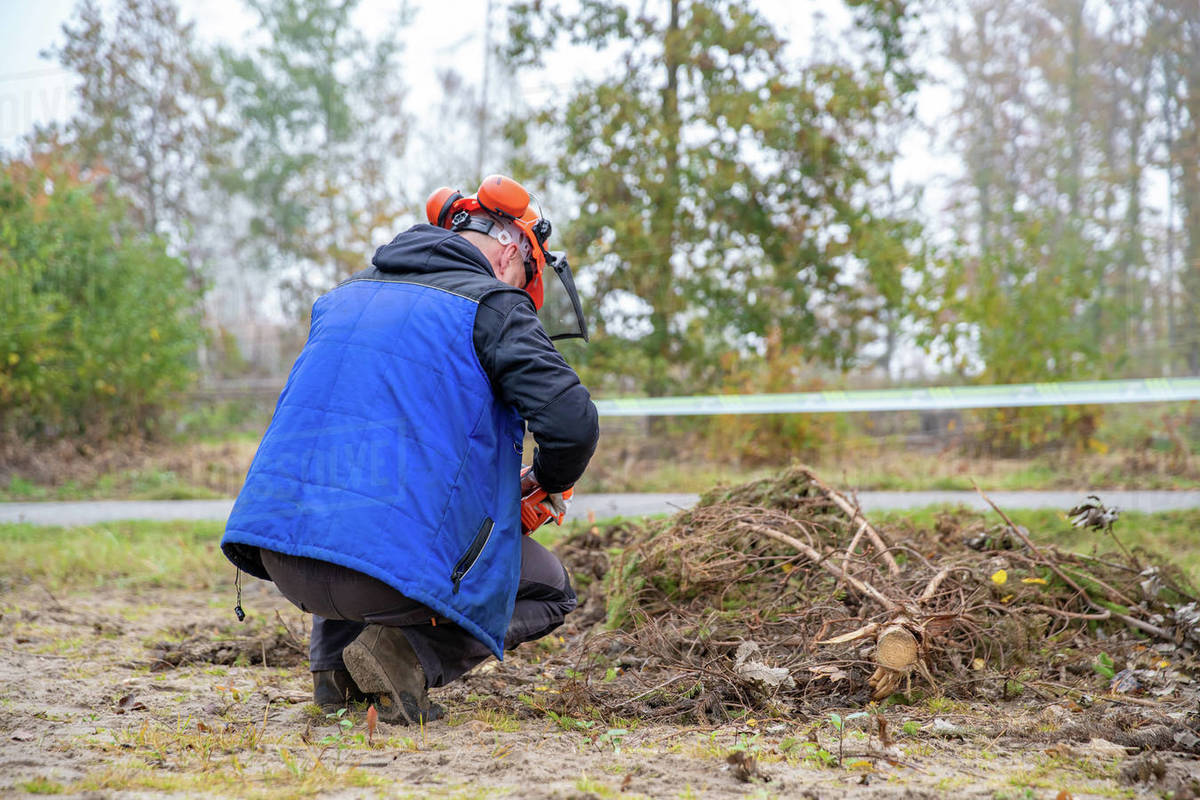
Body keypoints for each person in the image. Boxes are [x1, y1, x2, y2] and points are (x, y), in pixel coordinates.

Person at [220, 175, 599, 725]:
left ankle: (333, 673)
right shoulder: (492, 305)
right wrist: (545, 481)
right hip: (376, 575)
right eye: (524, 275)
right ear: (512, 251)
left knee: (356, 497)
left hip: (283, 556)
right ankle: (403, 655)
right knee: (553, 590)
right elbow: (573, 422)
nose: (520, 289)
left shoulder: (343, 298)